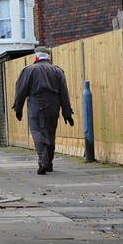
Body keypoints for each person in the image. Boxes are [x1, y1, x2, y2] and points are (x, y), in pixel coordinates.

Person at [12, 46, 74, 175]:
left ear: (35, 56)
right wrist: (67, 112)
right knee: (50, 133)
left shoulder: (28, 70)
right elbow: (64, 93)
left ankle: (43, 161)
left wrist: (18, 108)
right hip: (53, 106)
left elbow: (21, 91)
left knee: (37, 132)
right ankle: (49, 163)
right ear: (48, 57)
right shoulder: (58, 71)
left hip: (36, 105)